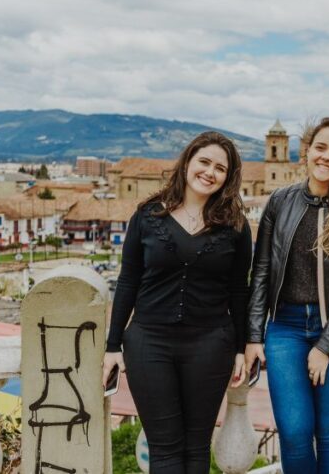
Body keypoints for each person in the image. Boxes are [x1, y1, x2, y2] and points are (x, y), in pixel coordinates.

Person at [102, 131, 252, 474]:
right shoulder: (147, 216)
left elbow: (238, 291)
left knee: (196, 450)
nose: (210, 172)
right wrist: (113, 346)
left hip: (211, 344)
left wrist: (241, 348)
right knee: (165, 450)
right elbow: (128, 281)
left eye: (220, 168)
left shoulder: (236, 227)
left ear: (228, 178)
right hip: (148, 343)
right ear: (187, 162)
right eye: (204, 162)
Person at [244, 117, 329, 474]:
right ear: (306, 152)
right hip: (285, 329)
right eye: (321, 148)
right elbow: (261, 271)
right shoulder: (279, 201)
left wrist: (325, 345)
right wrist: (254, 334)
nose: (326, 157)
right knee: (293, 431)